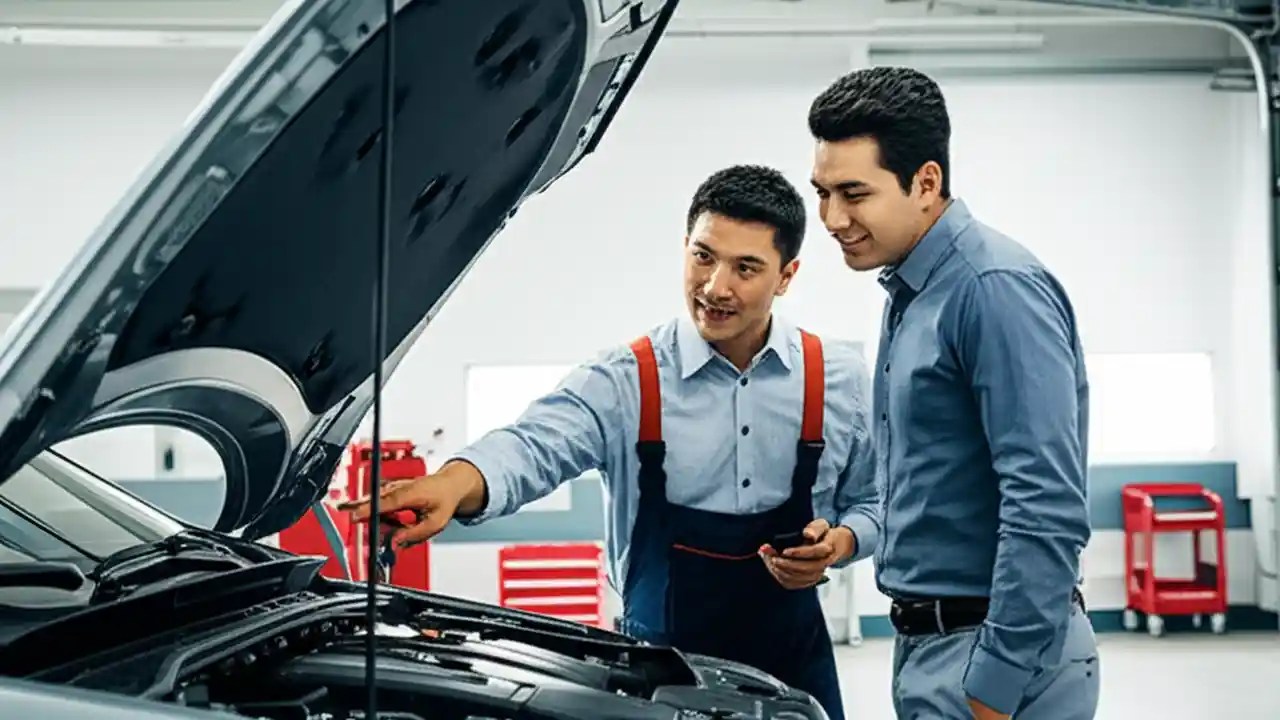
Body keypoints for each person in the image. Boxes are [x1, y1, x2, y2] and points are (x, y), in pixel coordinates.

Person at [340, 163, 880, 720]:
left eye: (746, 268)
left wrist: (840, 543)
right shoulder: (629, 379)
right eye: (703, 256)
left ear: (786, 275)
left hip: (793, 670)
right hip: (660, 675)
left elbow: (878, 502)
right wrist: (453, 484)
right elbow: (533, 445)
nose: (717, 286)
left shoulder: (837, 380)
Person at [805, 66, 1099, 720]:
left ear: (926, 182)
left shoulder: (991, 290)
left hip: (996, 651)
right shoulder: (912, 292)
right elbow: (927, 482)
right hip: (933, 644)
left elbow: (1046, 500)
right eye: (822, 192)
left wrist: (997, 679)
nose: (832, 218)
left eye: (854, 193)